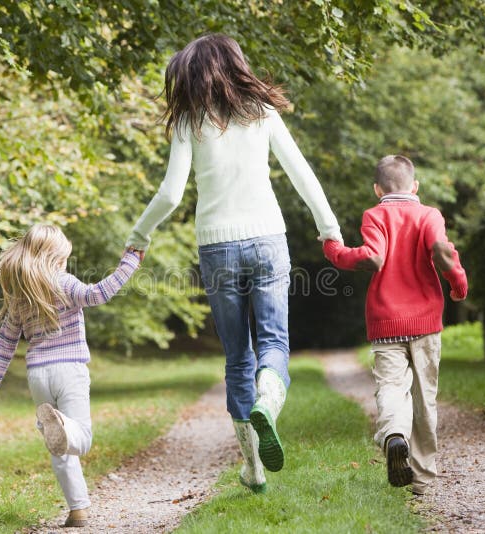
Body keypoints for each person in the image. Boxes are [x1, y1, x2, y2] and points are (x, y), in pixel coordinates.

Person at [125, 34, 342, 493]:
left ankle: (253, 467)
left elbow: (170, 194)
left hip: (216, 246)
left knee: (237, 355)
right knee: (274, 341)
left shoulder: (189, 121)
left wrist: (139, 236)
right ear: (235, 64)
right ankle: (268, 401)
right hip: (268, 239)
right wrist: (329, 230)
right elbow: (302, 173)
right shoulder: (262, 112)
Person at [0, 223, 140, 527]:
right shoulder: (64, 283)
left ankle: (78, 510)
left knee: (59, 447)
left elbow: (5, 343)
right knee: (80, 439)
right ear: (55, 258)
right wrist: (129, 261)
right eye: (64, 257)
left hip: (38, 375)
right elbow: (98, 294)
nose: (65, 262)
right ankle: (61, 424)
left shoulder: (21, 295)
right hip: (69, 369)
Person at [322, 155, 467, 495]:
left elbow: (373, 257)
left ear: (377, 189)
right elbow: (441, 250)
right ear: (415, 186)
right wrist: (458, 282)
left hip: (386, 320)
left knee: (390, 387)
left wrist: (335, 251)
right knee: (424, 397)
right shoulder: (430, 215)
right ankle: (423, 477)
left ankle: (394, 435)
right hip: (426, 320)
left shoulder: (374, 215)